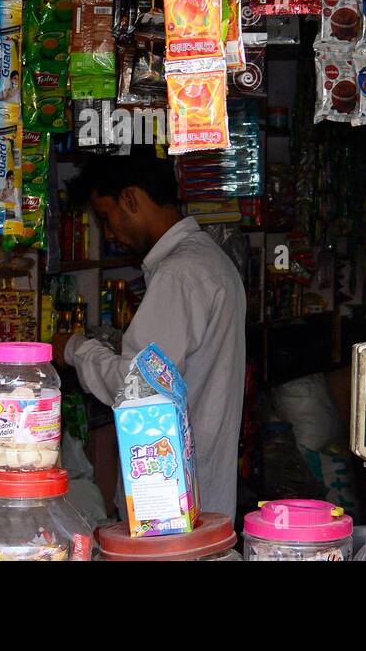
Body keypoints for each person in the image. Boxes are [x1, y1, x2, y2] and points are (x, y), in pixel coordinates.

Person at [52, 146, 246, 520]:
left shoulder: (179, 273)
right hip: (202, 494)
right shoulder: (210, 258)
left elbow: (138, 388)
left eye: (107, 218)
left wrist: (75, 350)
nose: (110, 234)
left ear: (130, 199)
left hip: (170, 502)